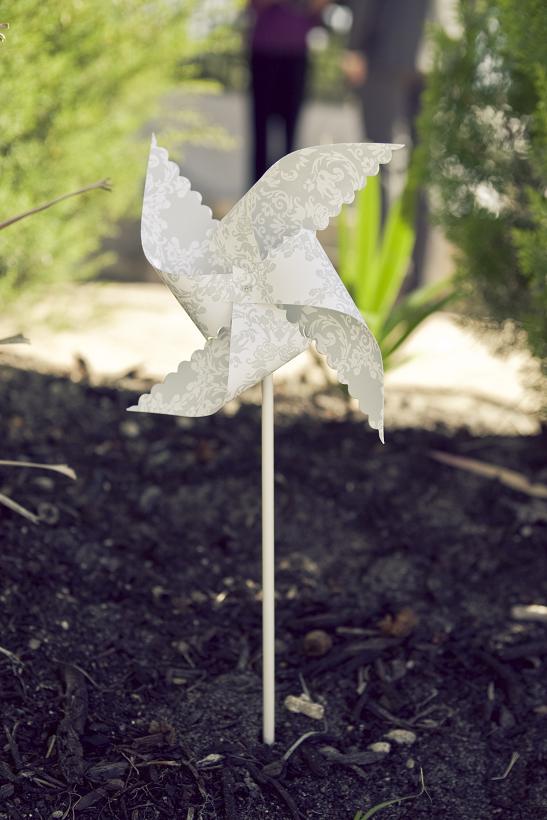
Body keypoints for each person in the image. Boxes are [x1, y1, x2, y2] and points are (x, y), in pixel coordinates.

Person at [342, 0, 431, 288]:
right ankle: (417, 278)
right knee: (422, 170)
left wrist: (355, 44)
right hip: (434, 55)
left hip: (386, 52)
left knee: (378, 163)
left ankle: (376, 276)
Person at [248, 0, 329, 184]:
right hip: (264, 50)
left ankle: (286, 190)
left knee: (291, 131)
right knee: (260, 130)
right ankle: (256, 194)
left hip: (296, 52)